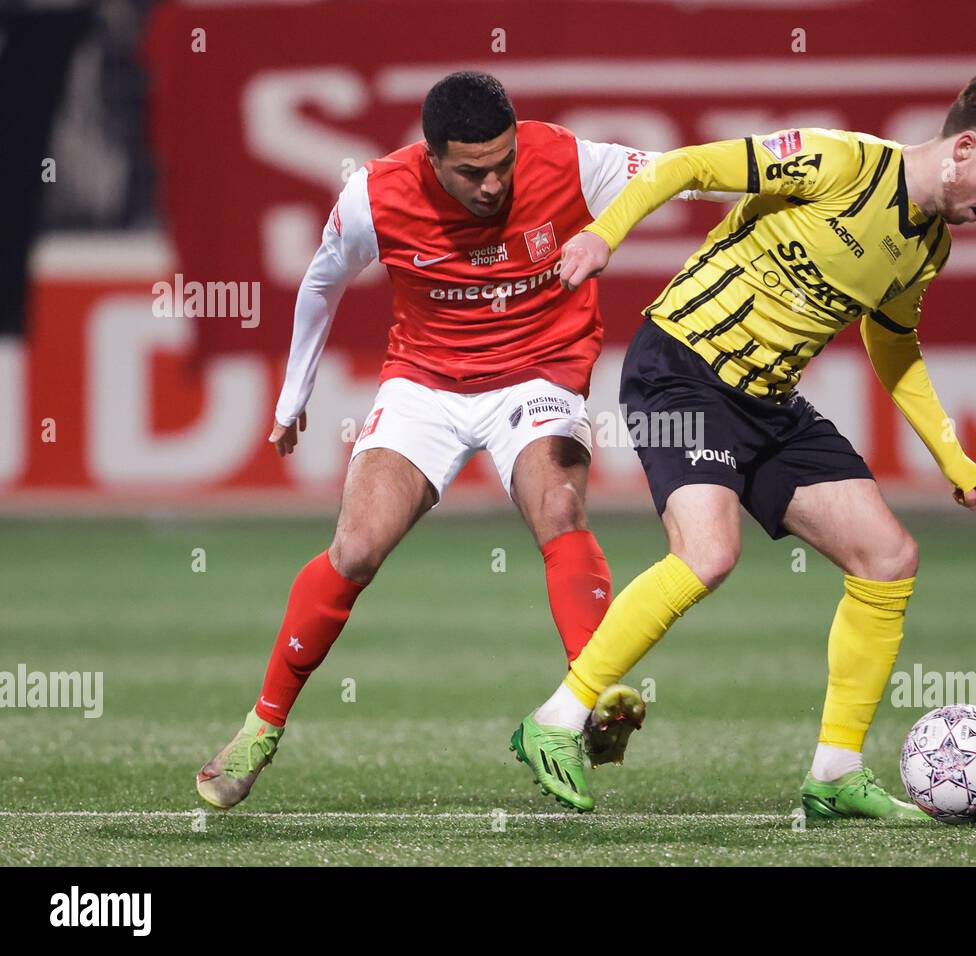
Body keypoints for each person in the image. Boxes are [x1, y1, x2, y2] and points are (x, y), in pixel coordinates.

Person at [509, 71, 976, 816]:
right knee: (707, 552)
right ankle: (554, 719)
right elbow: (686, 166)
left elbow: (893, 340)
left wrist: (953, 457)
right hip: (682, 367)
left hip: (768, 403)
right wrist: (604, 233)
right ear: (965, 148)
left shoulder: (927, 247)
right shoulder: (838, 161)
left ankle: (834, 774)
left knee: (888, 557)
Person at [196, 71, 727, 809]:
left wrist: (787, 180)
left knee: (561, 509)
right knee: (355, 547)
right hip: (426, 385)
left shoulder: (567, 161)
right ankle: (260, 727)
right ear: (432, 158)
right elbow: (320, 284)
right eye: (472, 171)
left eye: (504, 163)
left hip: (539, 375)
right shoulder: (374, 198)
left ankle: (587, 700)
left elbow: (681, 174)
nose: (493, 184)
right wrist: (293, 398)